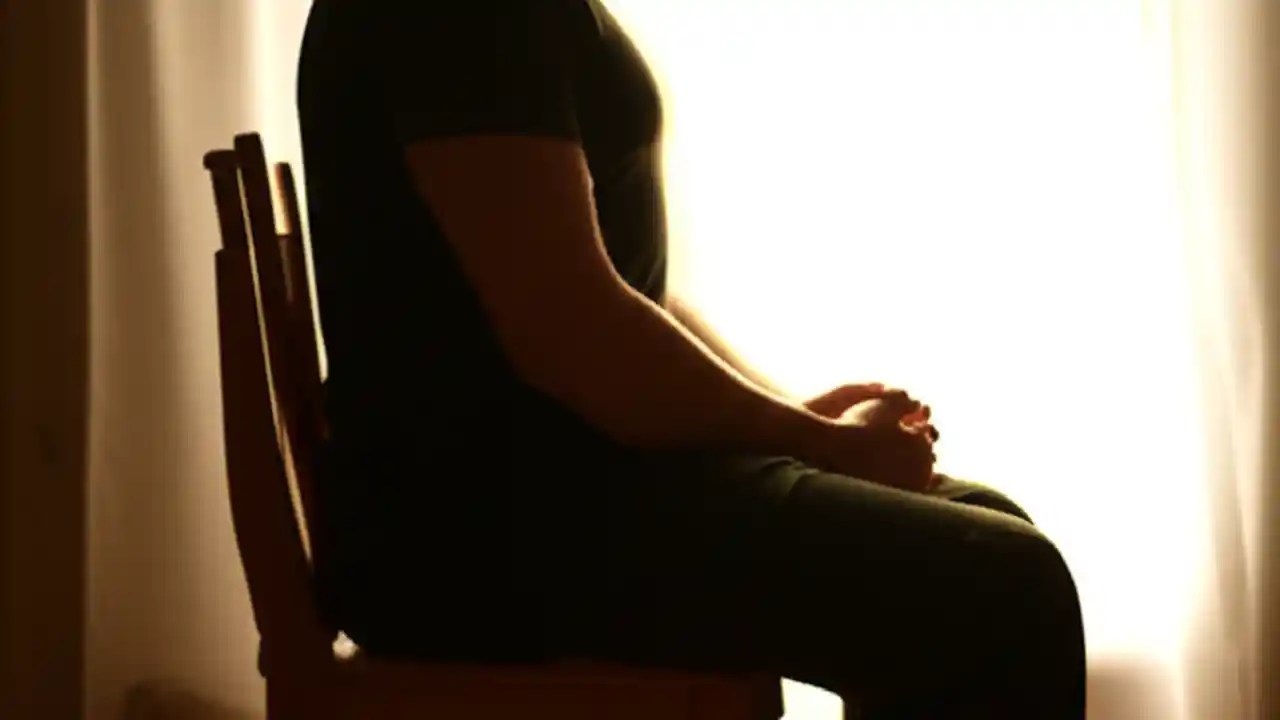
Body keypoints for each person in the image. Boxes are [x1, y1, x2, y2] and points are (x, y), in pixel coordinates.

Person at [296, 0, 1086, 717]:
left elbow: (626, 292)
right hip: (480, 530)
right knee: (1002, 586)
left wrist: (794, 423)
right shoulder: (462, 18)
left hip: (557, 488)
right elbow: (572, 332)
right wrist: (819, 444)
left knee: (987, 525)